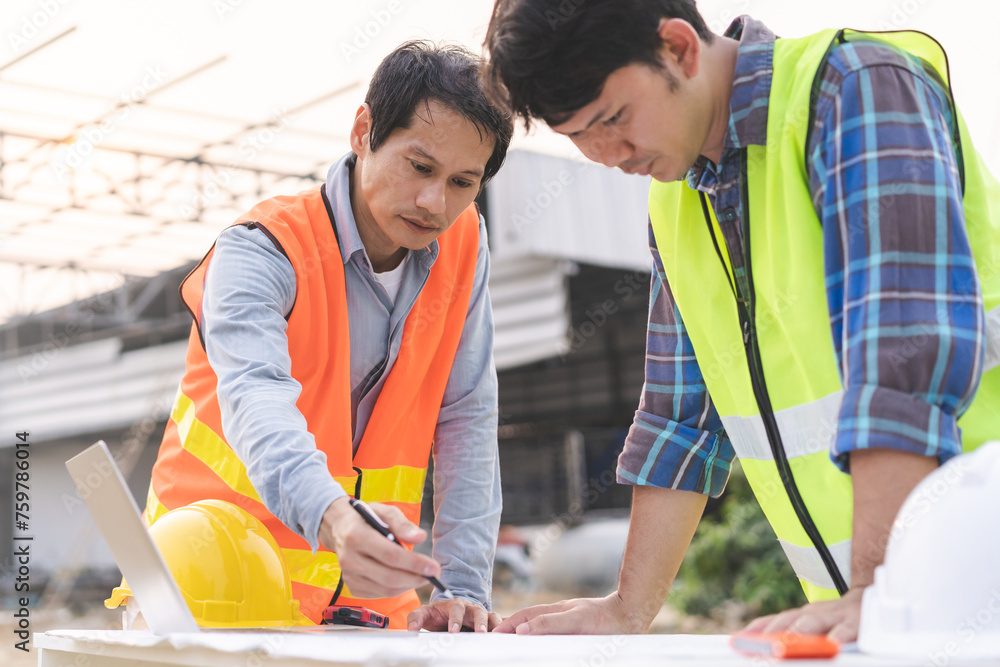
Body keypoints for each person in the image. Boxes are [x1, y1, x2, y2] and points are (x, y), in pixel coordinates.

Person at [483, 0, 999, 642]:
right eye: (579, 136)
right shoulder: (676, 201)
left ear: (678, 47)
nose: (606, 155)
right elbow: (680, 421)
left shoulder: (855, 88)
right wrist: (626, 609)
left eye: (613, 119)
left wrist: (876, 590)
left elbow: (900, 354)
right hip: (885, 615)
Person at [142, 41, 512, 631]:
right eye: (420, 167)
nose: (433, 202)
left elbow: (467, 413)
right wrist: (335, 520)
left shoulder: (465, 245)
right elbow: (256, 400)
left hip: (369, 605)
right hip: (216, 585)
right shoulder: (261, 249)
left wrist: (462, 586)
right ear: (363, 129)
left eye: (463, 182)